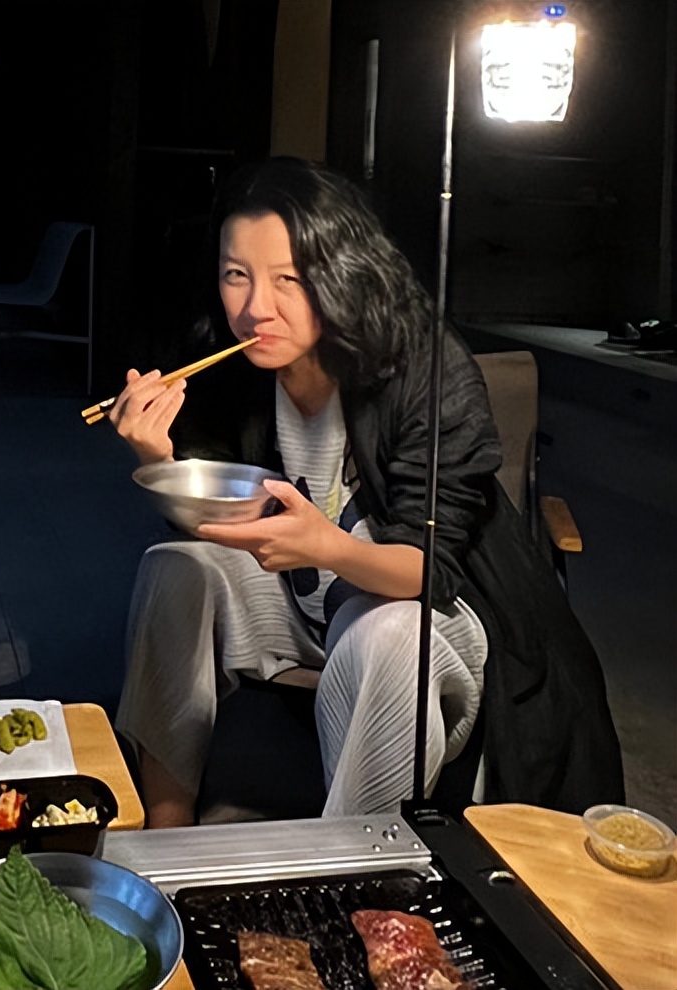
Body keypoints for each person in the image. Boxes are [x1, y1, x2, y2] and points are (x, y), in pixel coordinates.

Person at [109, 156, 623, 826]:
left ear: (340, 274)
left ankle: (357, 865)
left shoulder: (424, 366)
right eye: (237, 275)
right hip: (297, 602)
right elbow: (223, 510)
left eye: (288, 279)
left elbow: (429, 568)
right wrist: (163, 460)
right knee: (174, 567)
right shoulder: (230, 363)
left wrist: (325, 546)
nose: (255, 308)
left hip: (421, 611)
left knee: (386, 636)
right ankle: (164, 832)